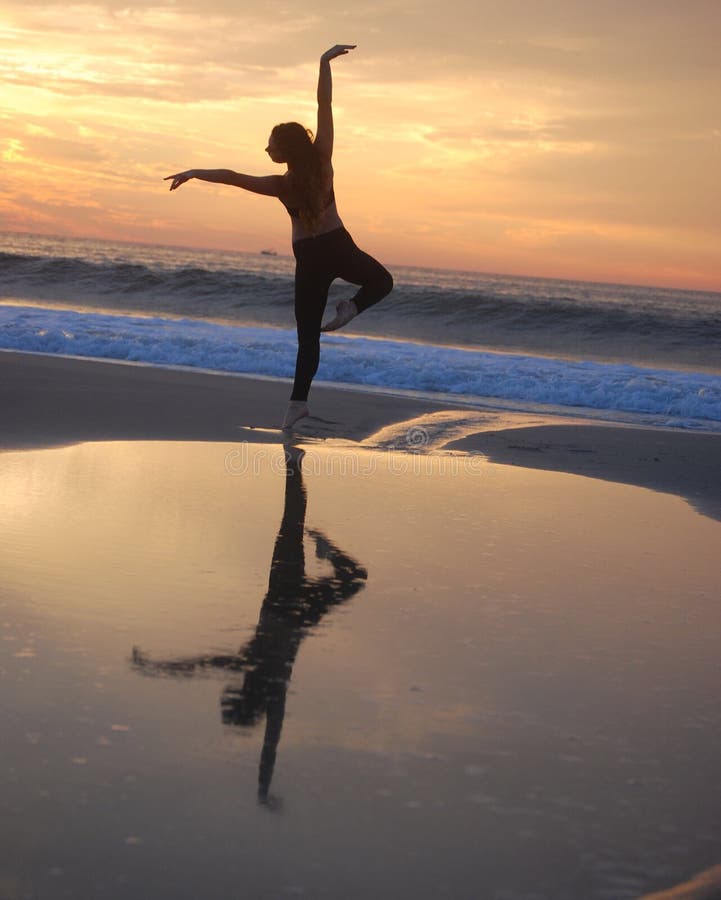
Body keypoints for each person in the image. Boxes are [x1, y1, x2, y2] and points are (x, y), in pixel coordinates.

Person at [165, 44, 394, 429]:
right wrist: (323, 63)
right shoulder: (323, 161)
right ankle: (351, 309)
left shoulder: (280, 185)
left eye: (271, 143)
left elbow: (232, 177)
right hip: (339, 246)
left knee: (308, 338)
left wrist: (193, 172)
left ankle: (296, 406)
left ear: (284, 149)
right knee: (383, 281)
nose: (266, 148)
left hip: (309, 259)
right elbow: (325, 105)